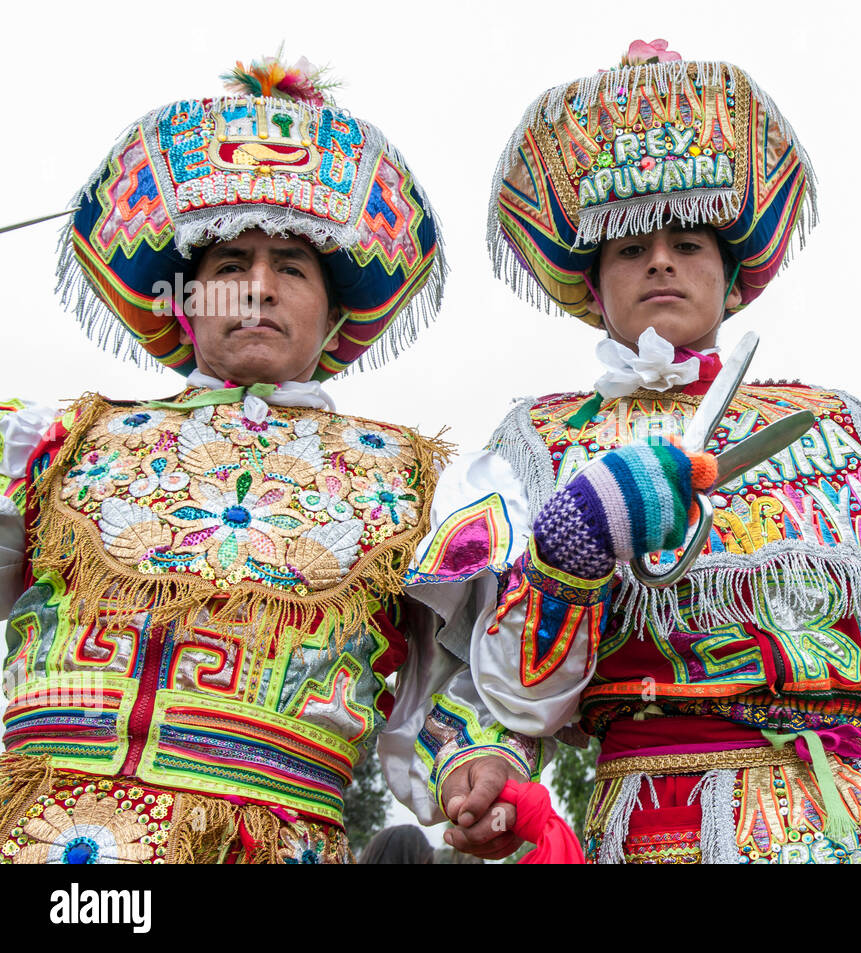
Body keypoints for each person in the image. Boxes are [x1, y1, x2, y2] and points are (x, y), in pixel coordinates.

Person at [406, 45, 861, 864]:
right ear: (593, 287)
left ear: (733, 278)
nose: (660, 258)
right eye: (629, 245)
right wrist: (570, 554)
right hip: (686, 814)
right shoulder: (533, 448)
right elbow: (513, 700)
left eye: (689, 241)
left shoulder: (842, 424)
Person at [0, 55, 537, 864]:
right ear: (187, 304)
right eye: (227, 268)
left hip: (272, 842)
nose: (258, 287)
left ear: (331, 314)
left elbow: (477, 672)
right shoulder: (61, 441)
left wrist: (476, 766)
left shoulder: (413, 482)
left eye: (290, 268)